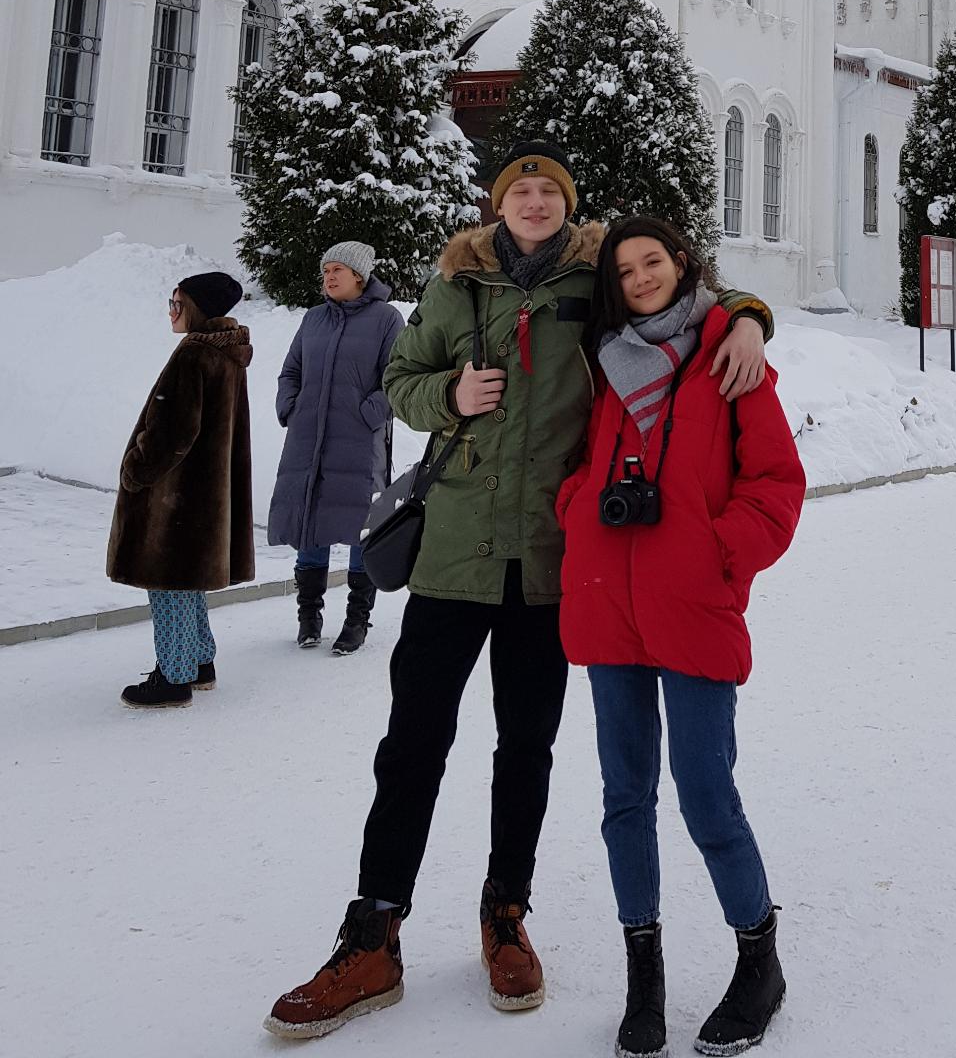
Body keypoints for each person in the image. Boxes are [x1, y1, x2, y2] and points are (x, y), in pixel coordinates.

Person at [265, 143, 773, 1040]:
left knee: (525, 749)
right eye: (519, 190)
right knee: (412, 744)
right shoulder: (453, 284)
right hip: (455, 554)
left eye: (550, 191)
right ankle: (373, 931)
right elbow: (396, 383)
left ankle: (507, 913)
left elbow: (680, 293)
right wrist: (449, 397)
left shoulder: (596, 279)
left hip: (548, 563)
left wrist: (749, 317)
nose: (534, 201)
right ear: (498, 205)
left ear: (568, 208)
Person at [557, 215, 805, 1058]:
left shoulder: (731, 356)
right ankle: (644, 974)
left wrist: (718, 554)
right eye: (624, 270)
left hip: (693, 606)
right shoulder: (601, 365)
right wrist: (580, 517)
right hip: (607, 608)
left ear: (682, 263)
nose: (640, 278)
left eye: (652, 262)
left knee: (707, 796)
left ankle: (758, 959)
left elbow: (776, 482)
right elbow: (576, 471)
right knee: (624, 800)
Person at [105, 271, 253, 708]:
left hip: (177, 493)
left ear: (197, 307)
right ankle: (199, 661)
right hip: (206, 490)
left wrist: (136, 470)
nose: (172, 310)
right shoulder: (227, 353)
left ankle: (173, 677)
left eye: (177, 302)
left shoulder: (193, 355)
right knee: (187, 581)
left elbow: (173, 430)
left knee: (167, 581)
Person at [269, 241, 405, 655]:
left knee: (361, 529)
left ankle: (356, 620)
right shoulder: (313, 319)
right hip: (308, 440)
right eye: (326, 270)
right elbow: (291, 370)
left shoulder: (386, 319)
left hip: (359, 445)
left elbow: (397, 377)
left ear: (360, 277)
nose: (329, 277)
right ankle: (308, 616)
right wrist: (289, 407)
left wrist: (368, 414)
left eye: (338, 270)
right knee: (311, 524)